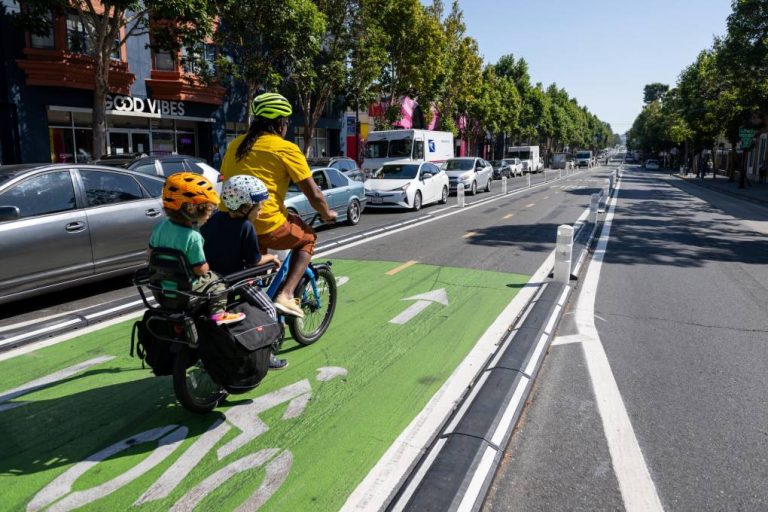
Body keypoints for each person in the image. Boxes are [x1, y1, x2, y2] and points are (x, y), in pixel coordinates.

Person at [220, 92, 337, 319]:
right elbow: (314, 193)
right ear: (280, 123)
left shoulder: (235, 145)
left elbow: (226, 180)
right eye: (286, 122)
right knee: (308, 238)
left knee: (253, 269)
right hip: (265, 222)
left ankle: (255, 307)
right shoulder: (285, 148)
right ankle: (286, 294)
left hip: (230, 223)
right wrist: (327, 213)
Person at [201, 175, 288, 370]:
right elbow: (254, 261)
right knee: (269, 309)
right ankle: (268, 355)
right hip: (237, 280)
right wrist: (271, 258)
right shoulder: (245, 227)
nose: (261, 210)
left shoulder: (214, 218)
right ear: (245, 207)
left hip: (213, 281)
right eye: (258, 207)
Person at [148, 172, 245, 326]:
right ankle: (218, 314)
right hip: (186, 287)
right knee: (219, 282)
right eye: (209, 209)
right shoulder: (193, 237)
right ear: (192, 209)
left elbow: (150, 253)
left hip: (162, 286)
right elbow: (199, 269)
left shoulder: (160, 227)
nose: (210, 213)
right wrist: (207, 267)